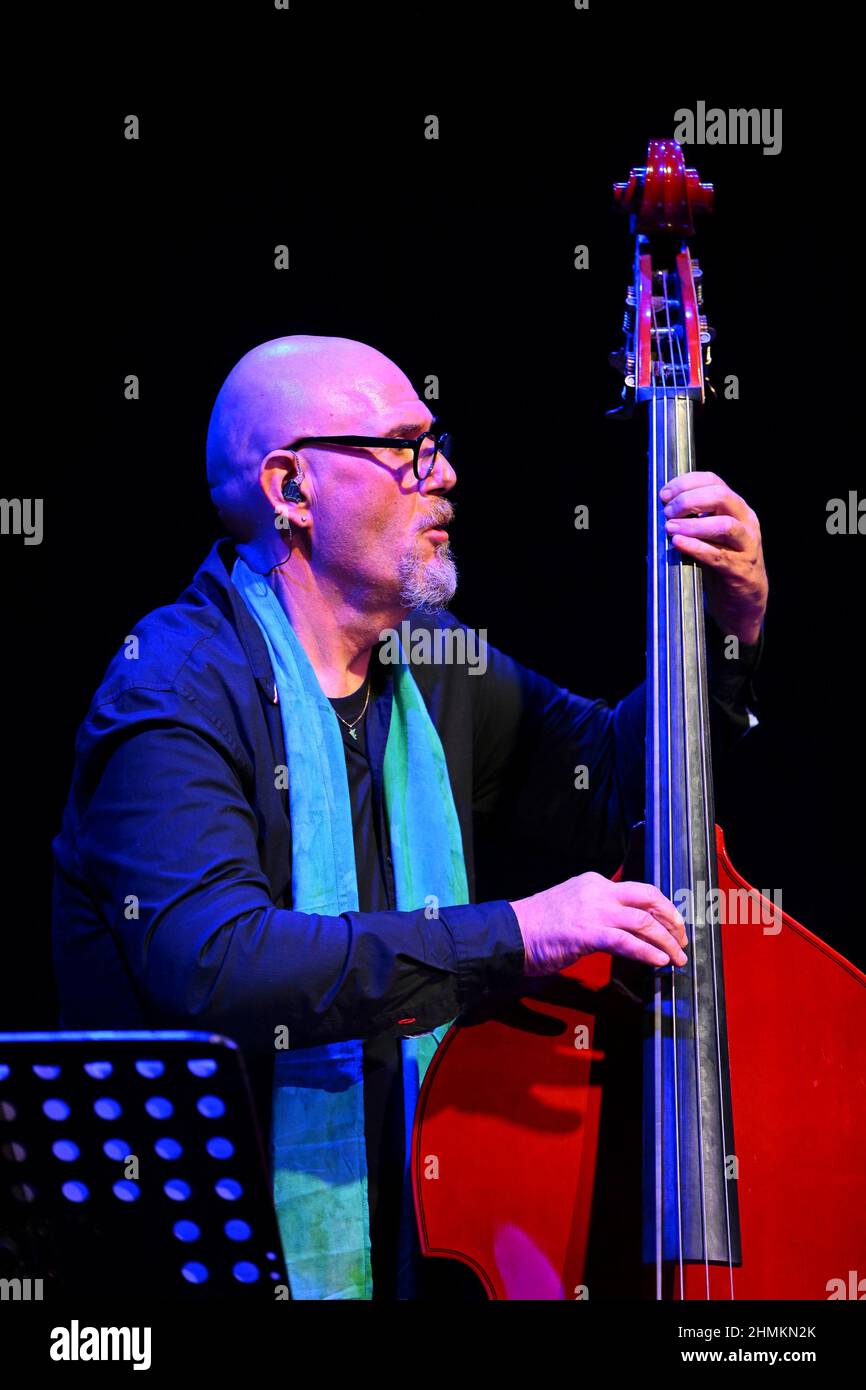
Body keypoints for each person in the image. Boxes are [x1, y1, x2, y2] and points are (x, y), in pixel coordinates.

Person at [51, 334, 768, 1300]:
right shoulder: (173, 690)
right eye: (408, 448)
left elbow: (612, 785)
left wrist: (721, 631)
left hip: (418, 1253)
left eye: (437, 444)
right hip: (204, 1271)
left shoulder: (431, 657)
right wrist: (514, 934)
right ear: (292, 488)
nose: (446, 474)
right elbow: (215, 967)